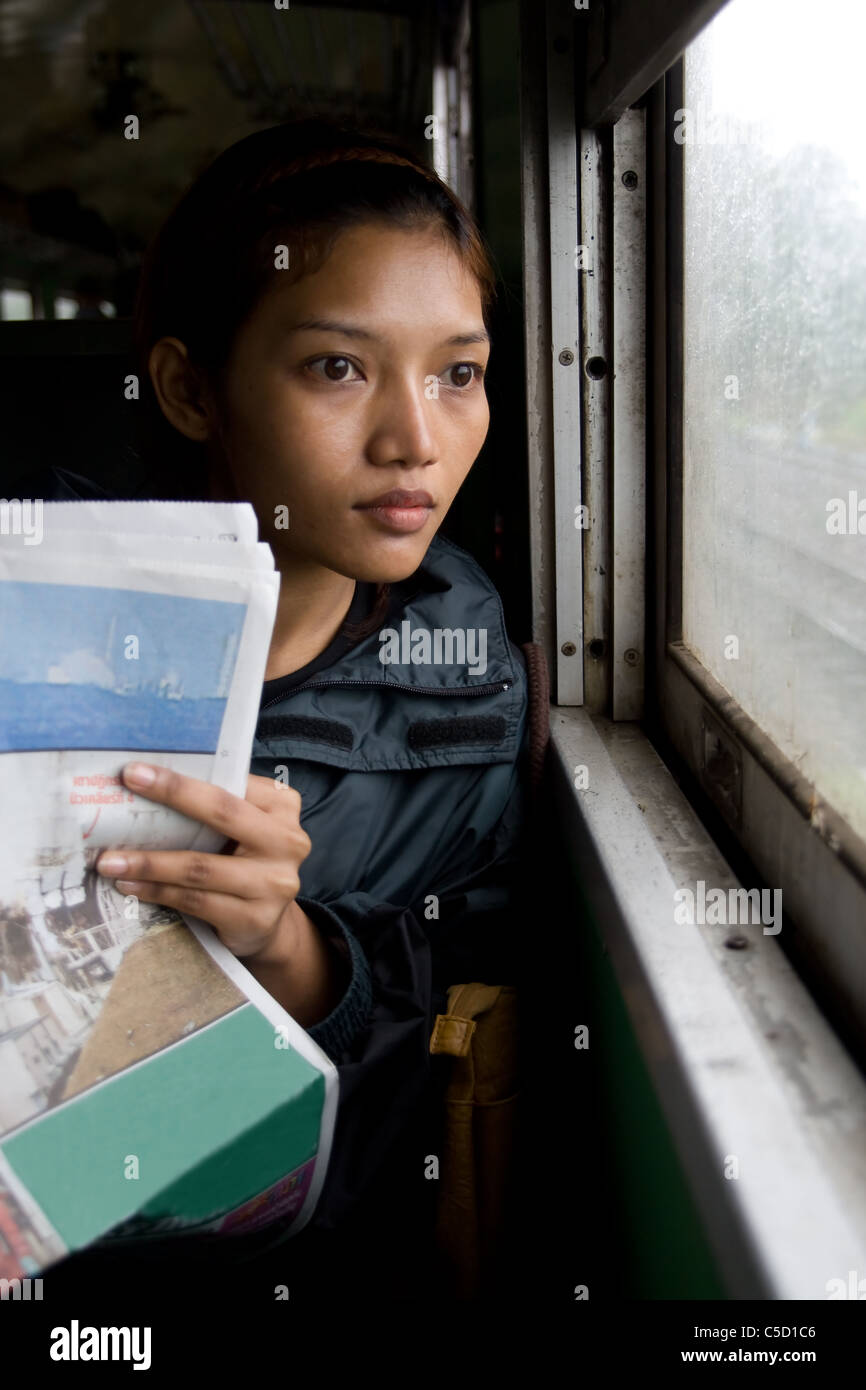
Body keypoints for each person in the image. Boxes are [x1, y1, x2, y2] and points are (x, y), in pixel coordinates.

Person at [40, 117, 532, 1308]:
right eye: (337, 367)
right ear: (190, 389)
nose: (414, 438)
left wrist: (294, 950)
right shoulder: (37, 618)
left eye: (456, 373)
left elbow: (454, 1048)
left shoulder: (463, 687)